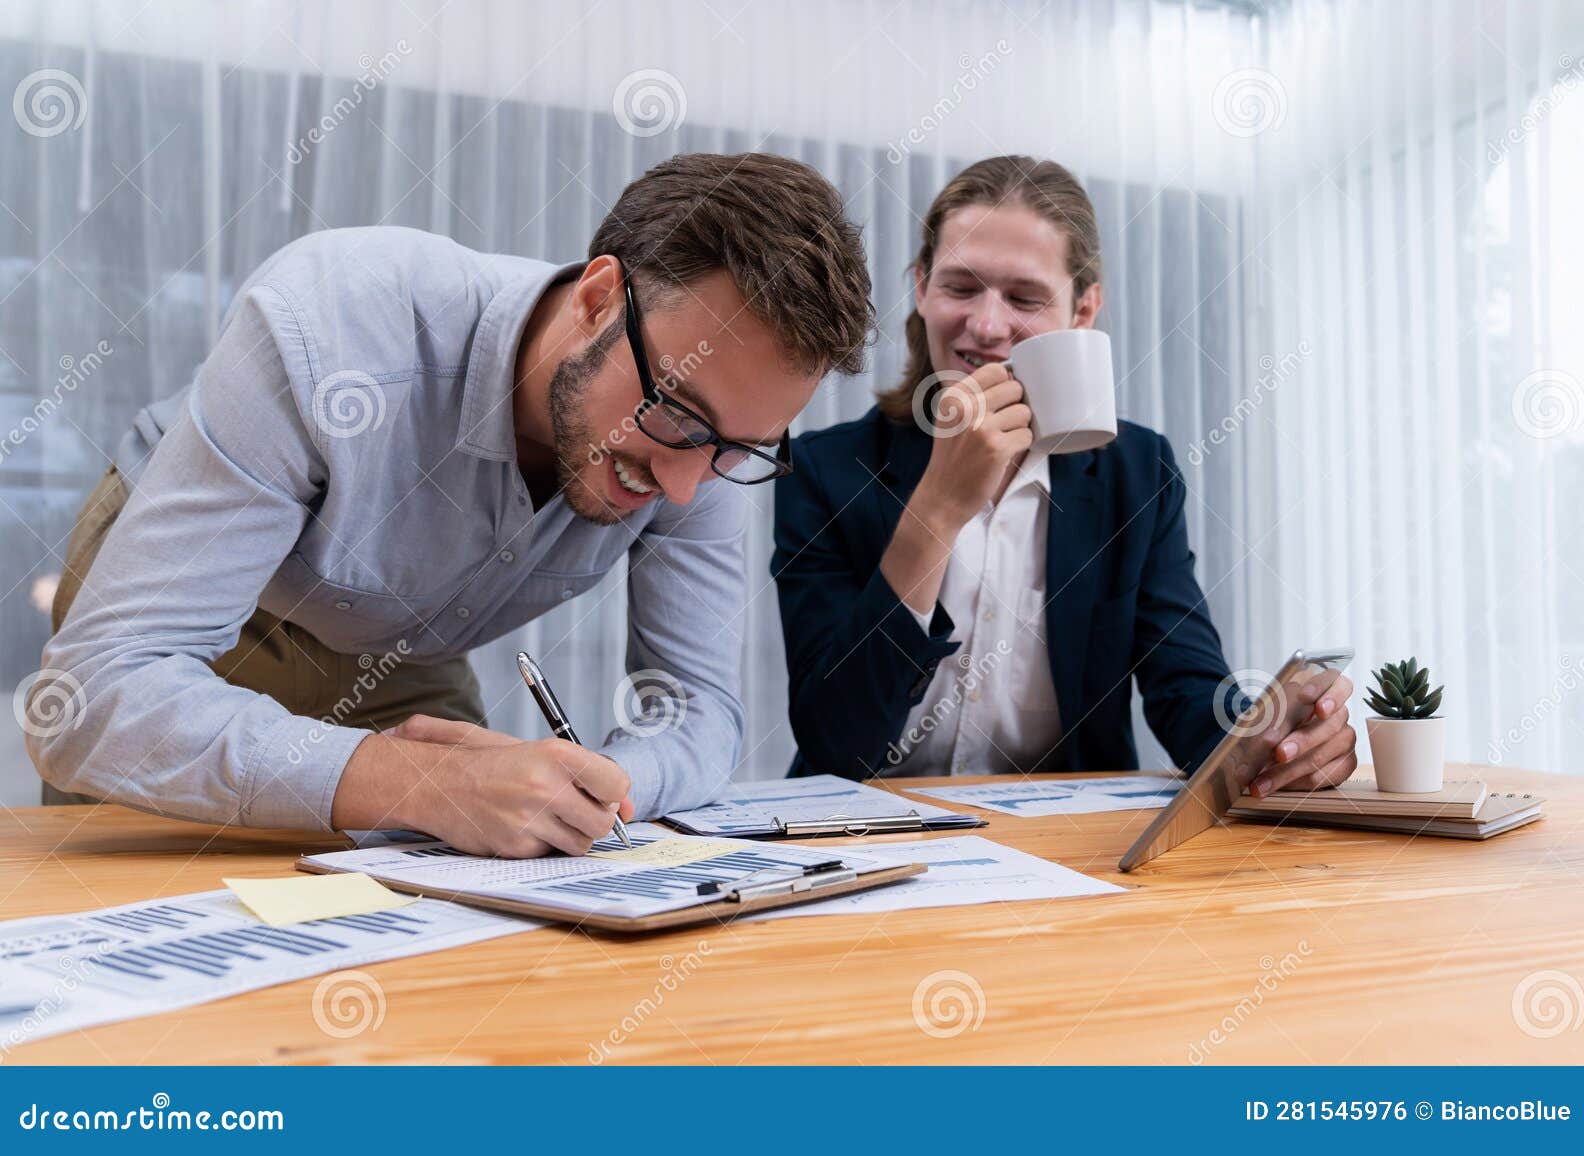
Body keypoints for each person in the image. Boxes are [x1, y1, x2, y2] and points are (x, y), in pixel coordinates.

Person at [30, 152, 873, 858]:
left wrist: (608, 786)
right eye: (682, 419)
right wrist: (421, 782)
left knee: (479, 884)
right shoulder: (338, 319)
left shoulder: (703, 440)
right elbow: (97, 697)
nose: (689, 487)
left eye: (741, 448)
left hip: (400, 636)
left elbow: (698, 709)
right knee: (129, 896)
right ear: (596, 300)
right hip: (213, 596)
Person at [772, 155, 1355, 793]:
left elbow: (1183, 689)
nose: (987, 327)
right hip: (865, 834)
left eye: (1024, 298)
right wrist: (935, 510)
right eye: (960, 287)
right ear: (919, 286)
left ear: (1083, 310)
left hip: (1063, 839)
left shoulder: (1136, 472)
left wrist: (1271, 745)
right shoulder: (826, 469)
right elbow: (835, 745)